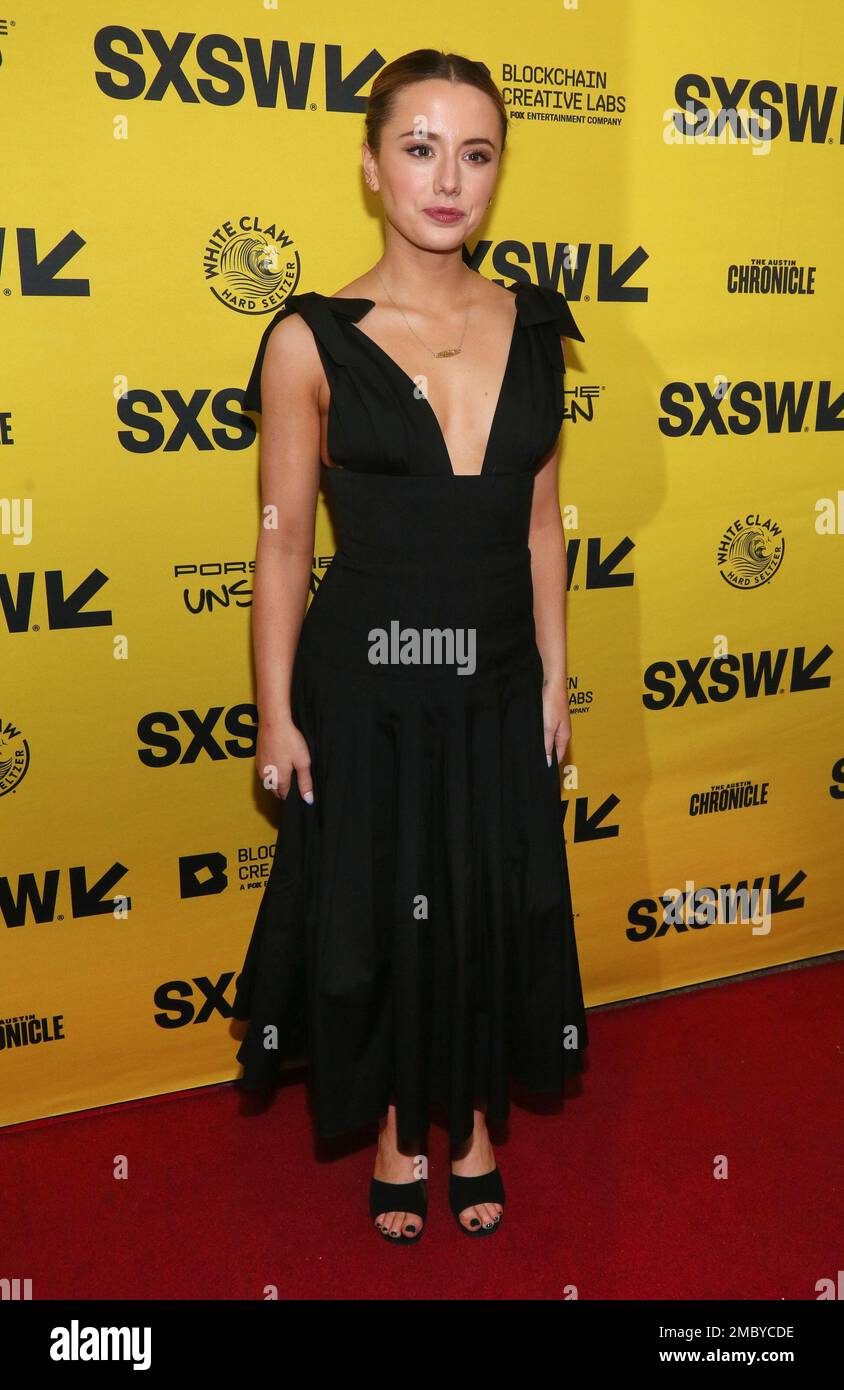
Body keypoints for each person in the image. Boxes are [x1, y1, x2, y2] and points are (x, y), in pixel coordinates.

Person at [233, 48, 589, 1245]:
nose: (448, 178)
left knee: (489, 896)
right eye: (420, 147)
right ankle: (395, 1129)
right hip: (368, 680)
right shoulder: (309, 340)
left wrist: (551, 675)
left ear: (497, 173)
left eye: (475, 152)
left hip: (495, 679)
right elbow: (283, 545)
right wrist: (277, 712)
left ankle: (477, 1116)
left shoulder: (537, 327)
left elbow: (541, 527)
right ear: (373, 165)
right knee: (383, 904)